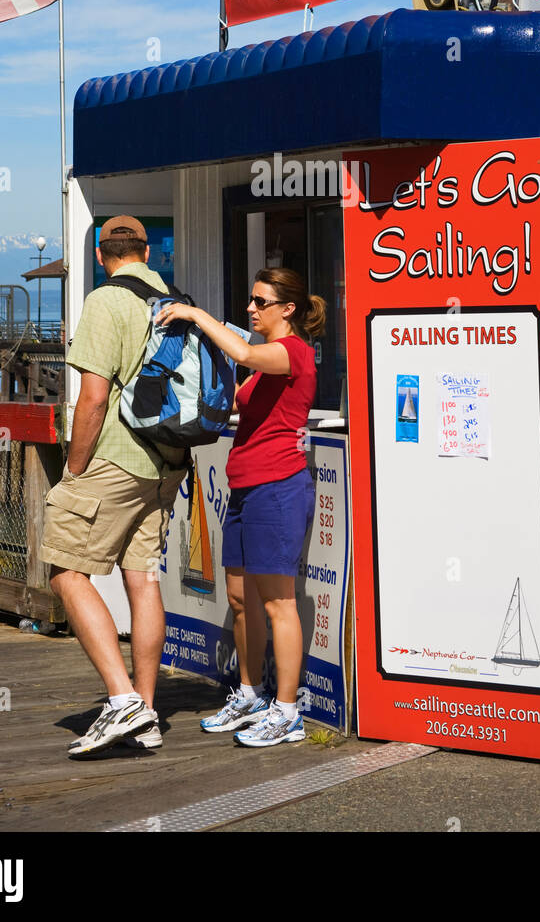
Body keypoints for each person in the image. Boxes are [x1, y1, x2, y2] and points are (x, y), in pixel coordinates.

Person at [40, 216, 190, 758]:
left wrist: (74, 471)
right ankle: (146, 713)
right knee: (142, 578)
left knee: (65, 570)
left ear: (102, 256)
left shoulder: (106, 300)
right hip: (166, 463)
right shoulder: (171, 297)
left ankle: (122, 697)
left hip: (115, 461)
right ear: (147, 252)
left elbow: (94, 398)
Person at [157, 267, 325, 747]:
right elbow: (232, 393)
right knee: (240, 600)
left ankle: (287, 711)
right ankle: (250, 693)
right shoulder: (264, 364)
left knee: (278, 603)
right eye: (250, 300)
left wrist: (195, 313)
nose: (250, 308)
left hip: (278, 487)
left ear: (287, 309)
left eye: (260, 301)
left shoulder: (292, 352)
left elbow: (247, 352)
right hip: (245, 486)